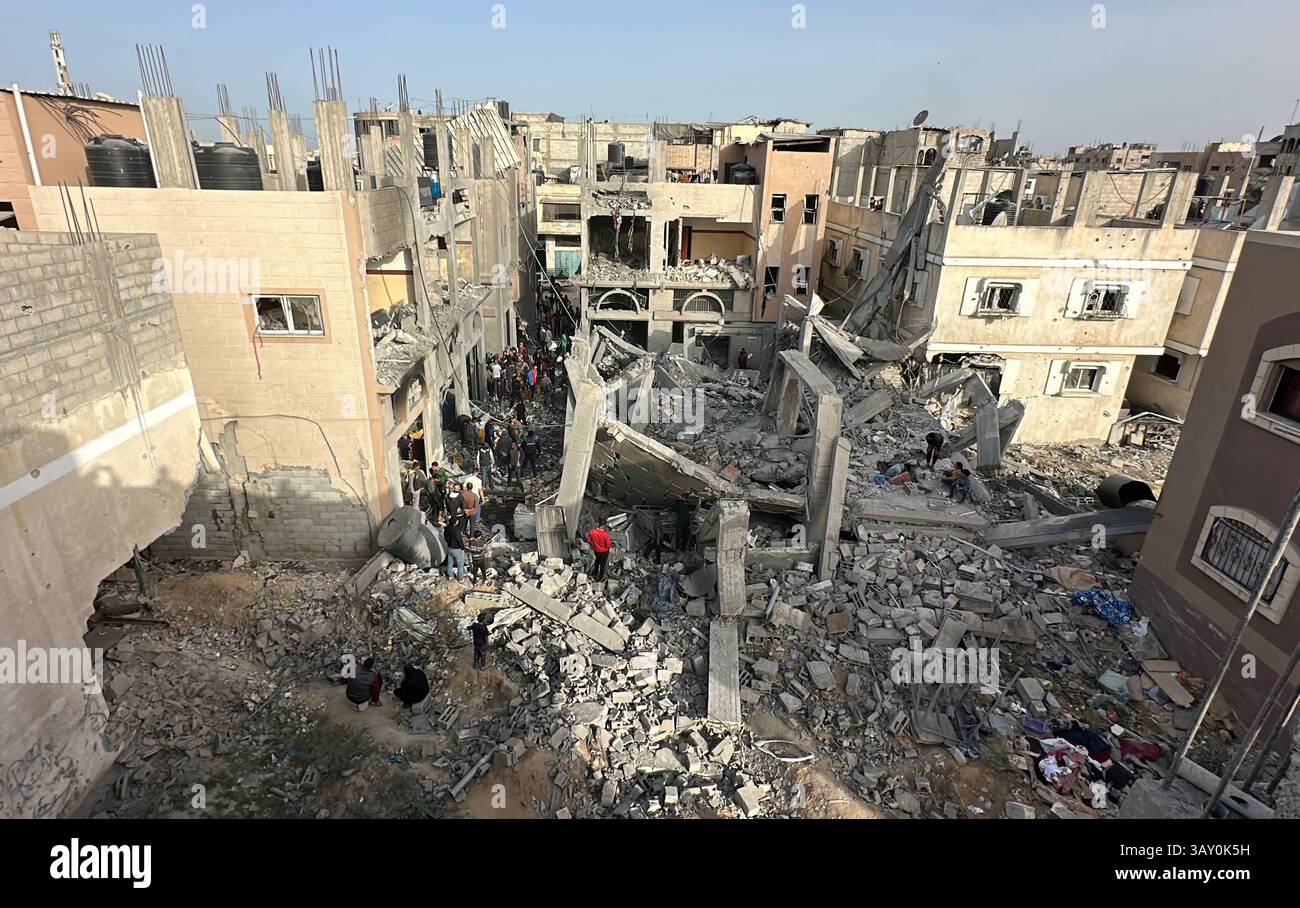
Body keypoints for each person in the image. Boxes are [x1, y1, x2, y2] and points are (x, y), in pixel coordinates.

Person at [444, 512, 468, 580]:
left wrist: (448, 543)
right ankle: (460, 578)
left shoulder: (446, 528)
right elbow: (459, 540)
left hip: (449, 547)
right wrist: (463, 548)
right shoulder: (456, 531)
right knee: (460, 564)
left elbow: (445, 537)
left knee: (450, 563)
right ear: (455, 523)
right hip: (457, 549)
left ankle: (450, 576)